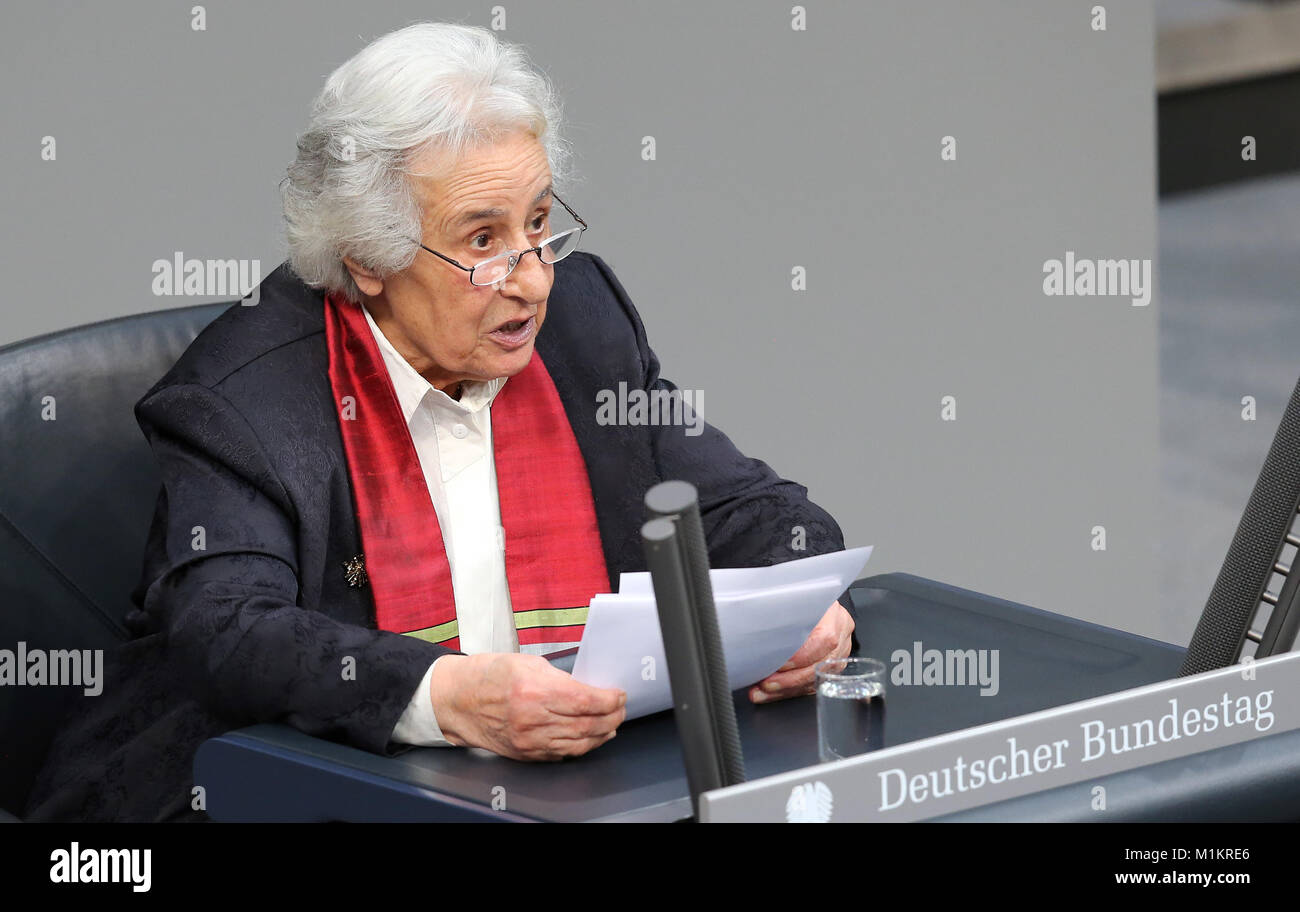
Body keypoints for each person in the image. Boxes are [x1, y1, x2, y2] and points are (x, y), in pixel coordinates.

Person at [25, 21, 853, 822]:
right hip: (273, 784)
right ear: (368, 258)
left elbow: (750, 510)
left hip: (558, 787)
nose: (530, 281)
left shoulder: (581, 327)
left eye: (537, 225)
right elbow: (231, 633)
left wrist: (803, 607)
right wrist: (444, 695)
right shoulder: (241, 398)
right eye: (482, 241)